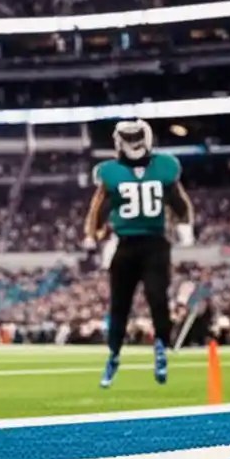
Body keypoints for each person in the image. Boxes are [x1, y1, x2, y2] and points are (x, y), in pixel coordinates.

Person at [83, 118, 194, 388]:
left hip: (155, 243)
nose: (132, 143)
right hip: (126, 243)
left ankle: (160, 347)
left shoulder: (164, 167)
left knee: (158, 297)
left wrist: (185, 224)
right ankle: (114, 354)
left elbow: (178, 200)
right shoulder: (111, 172)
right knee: (119, 304)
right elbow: (100, 205)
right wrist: (93, 232)